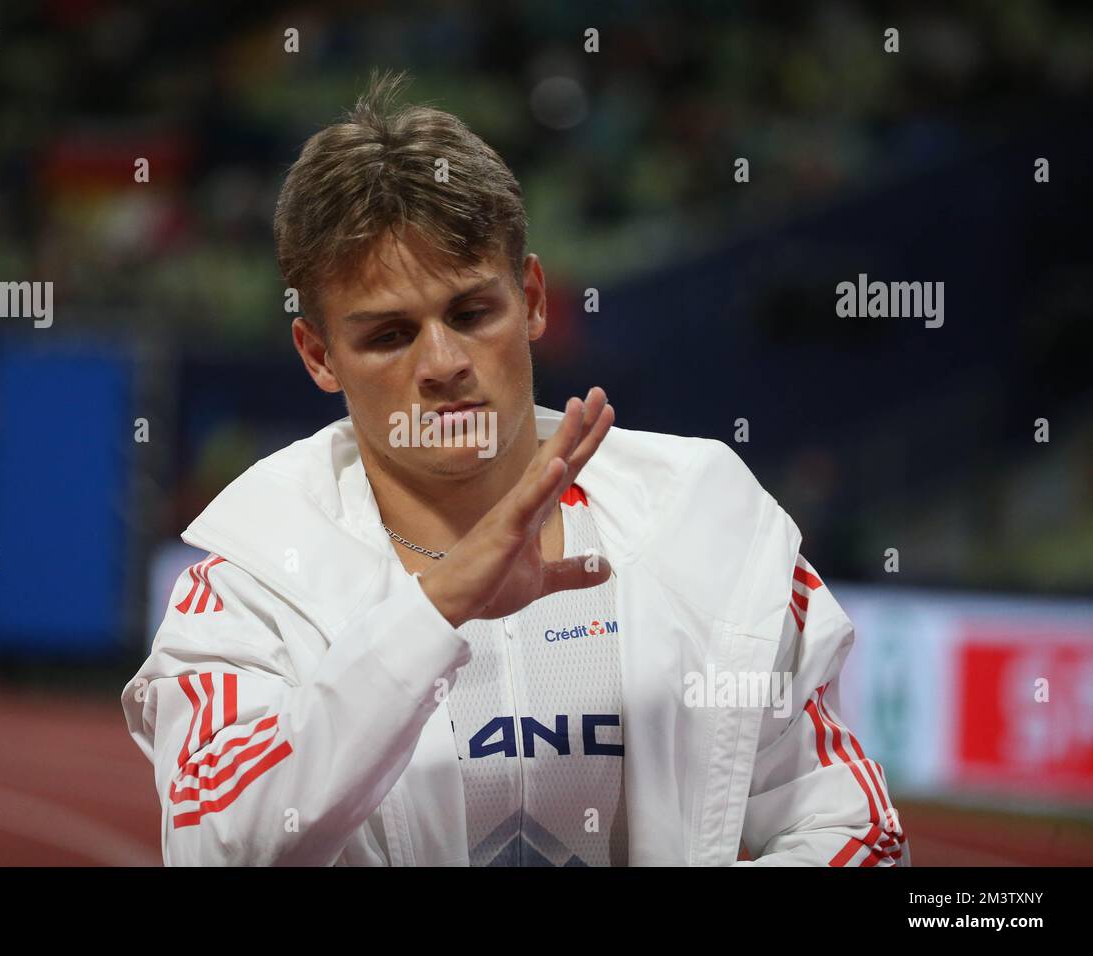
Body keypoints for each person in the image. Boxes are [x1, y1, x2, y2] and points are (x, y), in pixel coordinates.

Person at [120, 69, 909, 867]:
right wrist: (435, 612)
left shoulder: (707, 524)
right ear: (320, 355)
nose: (442, 363)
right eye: (389, 335)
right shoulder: (251, 584)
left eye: (471, 313)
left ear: (531, 299)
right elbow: (214, 844)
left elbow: (857, 836)